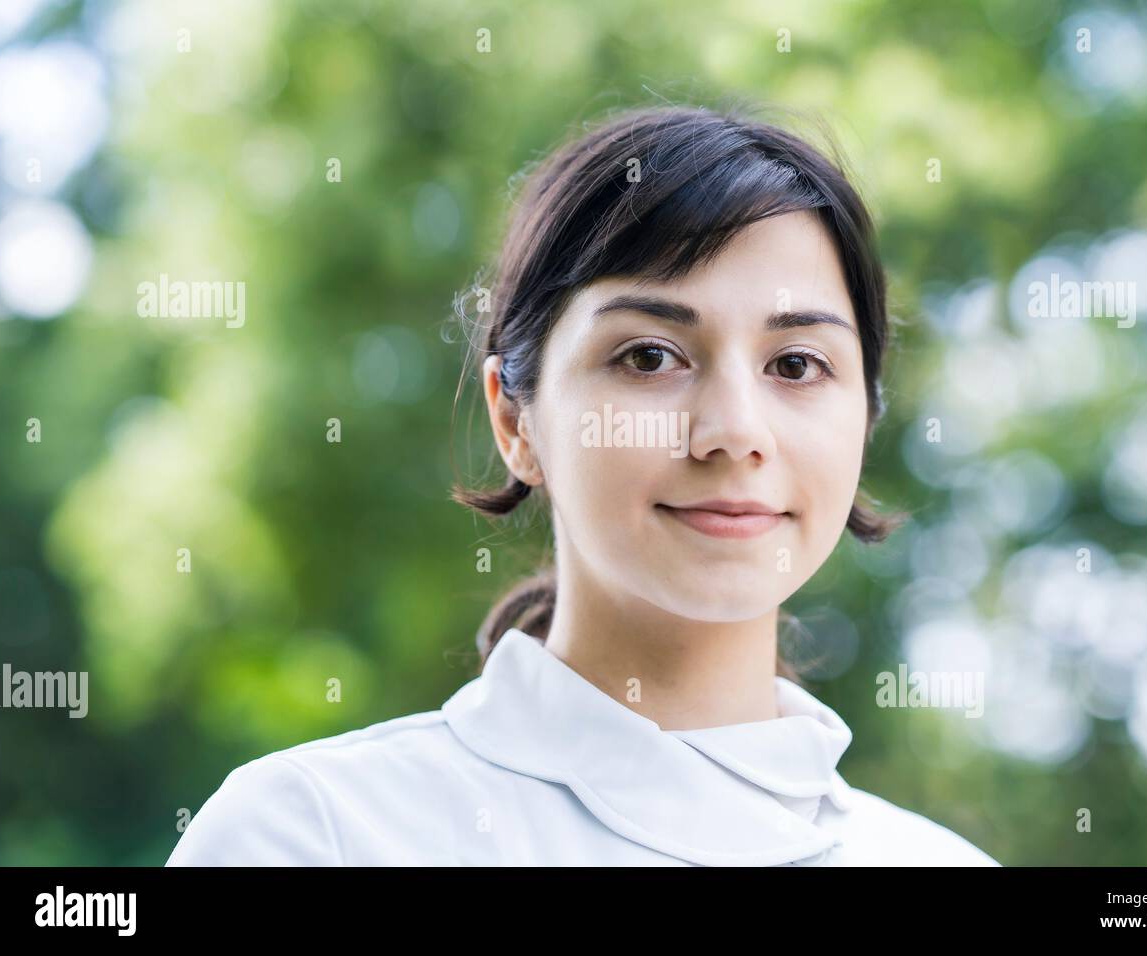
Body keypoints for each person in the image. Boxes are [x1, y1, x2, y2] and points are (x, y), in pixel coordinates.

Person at [166, 102, 1000, 867]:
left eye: (796, 364)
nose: (736, 432)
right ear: (517, 422)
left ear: (865, 418)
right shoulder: (315, 835)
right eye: (649, 357)